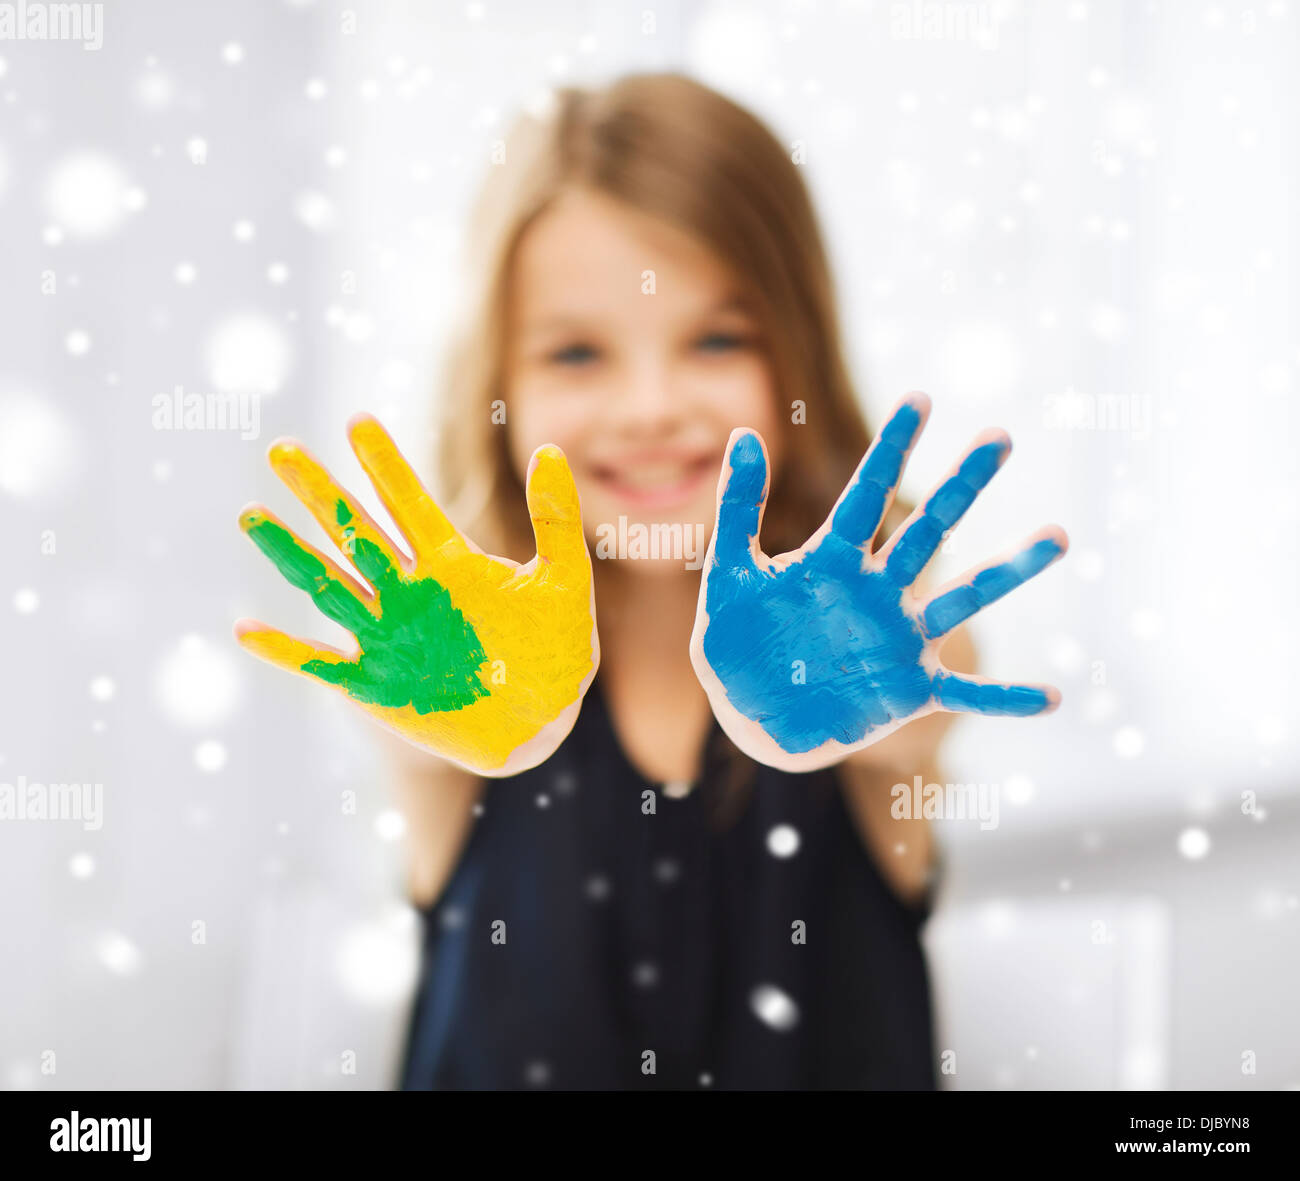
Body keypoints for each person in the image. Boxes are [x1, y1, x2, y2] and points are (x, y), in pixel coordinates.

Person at [386, 72, 979, 1090]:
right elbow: (395, 728)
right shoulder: (463, 677)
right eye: (577, 352)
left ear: (796, 352)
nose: (650, 406)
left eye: (715, 339)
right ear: (497, 384)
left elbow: (926, 698)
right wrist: (433, 692)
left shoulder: (867, 653)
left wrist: (893, 678)